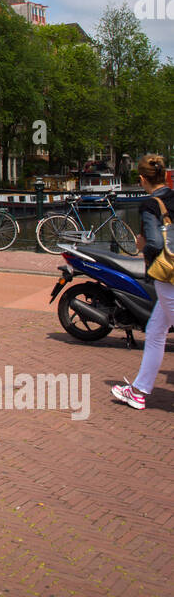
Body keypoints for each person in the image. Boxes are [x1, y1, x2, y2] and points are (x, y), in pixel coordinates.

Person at [111, 154, 174, 410]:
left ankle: (138, 390)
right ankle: (138, 390)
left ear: (141, 179)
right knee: (156, 331)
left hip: (168, 276)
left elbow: (157, 244)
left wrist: (143, 246)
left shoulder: (150, 205)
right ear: (165, 175)